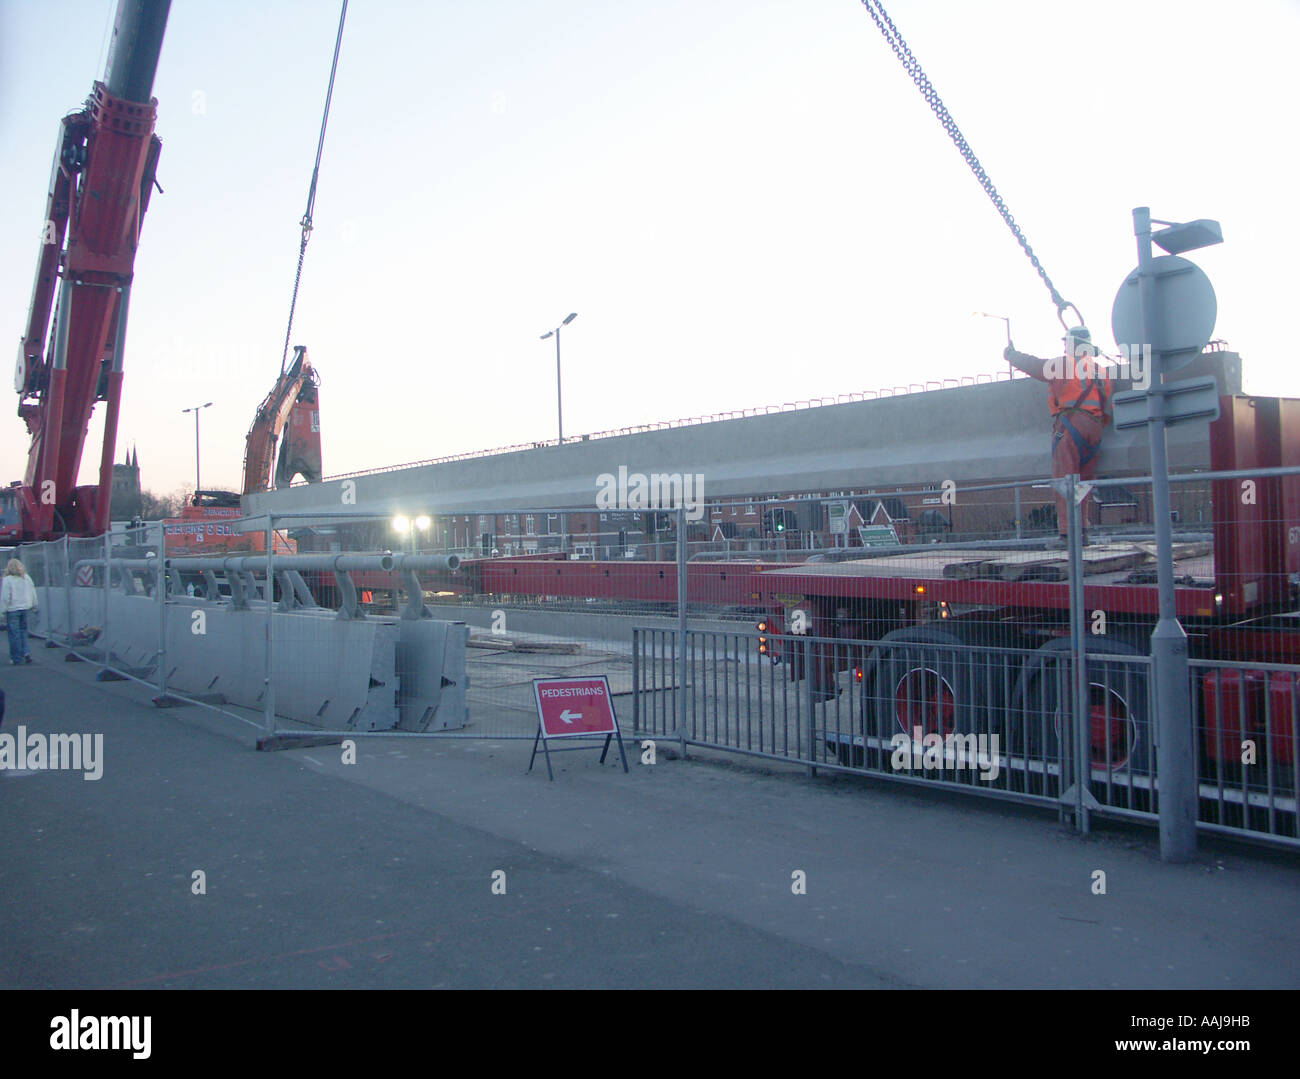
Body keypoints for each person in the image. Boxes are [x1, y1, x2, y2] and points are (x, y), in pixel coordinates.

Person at [1004, 327, 1112, 543]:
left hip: (1071, 425)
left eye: (1066, 343)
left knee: (1064, 481)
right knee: (1083, 484)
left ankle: (1066, 534)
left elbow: (1036, 367)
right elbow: (1106, 406)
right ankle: (1082, 532)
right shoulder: (1100, 371)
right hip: (1095, 428)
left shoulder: (1064, 364)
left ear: (1073, 345)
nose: (1064, 347)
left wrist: (1011, 355)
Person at [0, 558, 39, 665]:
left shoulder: (7, 580)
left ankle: (16, 658)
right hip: (25, 608)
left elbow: (5, 597)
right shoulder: (26, 578)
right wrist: (34, 605)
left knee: (14, 634)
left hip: (12, 609)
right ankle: (26, 652)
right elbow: (33, 592)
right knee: (23, 632)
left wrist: (2, 611)